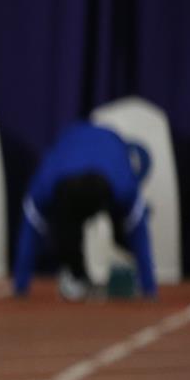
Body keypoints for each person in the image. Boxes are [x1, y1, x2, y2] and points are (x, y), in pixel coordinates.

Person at [12, 121, 158, 302]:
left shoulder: (122, 187)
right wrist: (149, 286)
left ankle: (80, 274)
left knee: (115, 232)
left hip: (89, 179)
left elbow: (30, 230)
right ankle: (78, 275)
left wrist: (20, 285)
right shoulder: (47, 185)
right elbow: (139, 226)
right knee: (69, 230)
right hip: (80, 182)